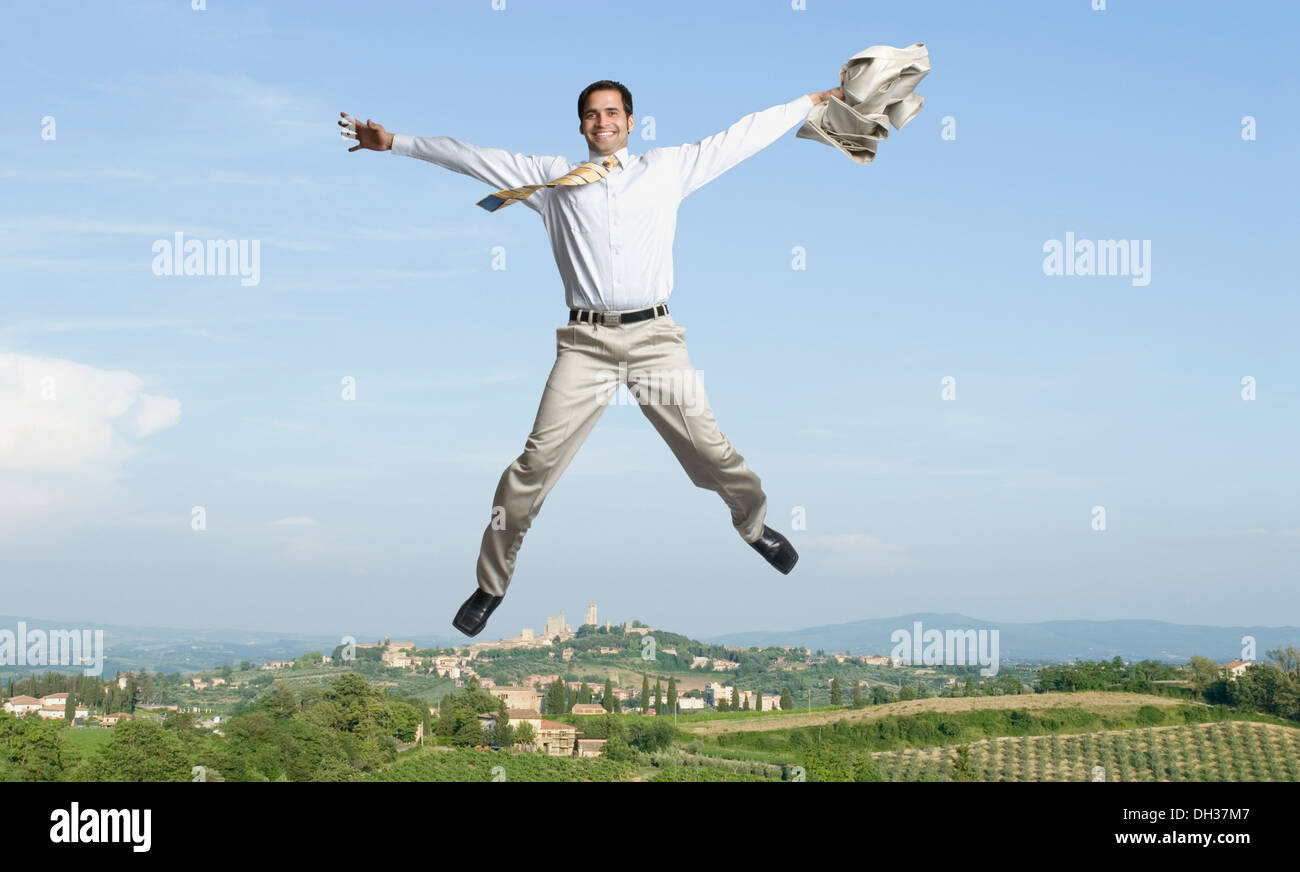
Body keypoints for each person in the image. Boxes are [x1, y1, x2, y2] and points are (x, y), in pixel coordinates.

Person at [340, 80, 842, 636]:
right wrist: (395, 143)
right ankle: (491, 583)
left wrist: (810, 103)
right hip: (585, 346)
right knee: (532, 467)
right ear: (581, 126)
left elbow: (739, 138)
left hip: (655, 339)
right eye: (590, 115)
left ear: (631, 122)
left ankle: (754, 527)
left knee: (713, 452)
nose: (601, 122)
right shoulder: (554, 182)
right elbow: (470, 157)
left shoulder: (667, 169)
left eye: (611, 113)